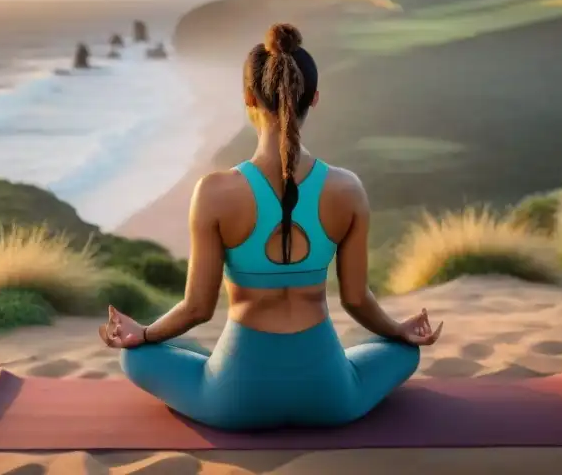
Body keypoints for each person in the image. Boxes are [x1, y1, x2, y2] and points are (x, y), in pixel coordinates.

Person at [99, 22, 443, 430]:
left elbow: (196, 309)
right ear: (313, 99)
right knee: (404, 352)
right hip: (331, 399)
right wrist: (399, 331)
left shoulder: (214, 192)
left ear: (248, 97)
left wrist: (147, 334)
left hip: (234, 402)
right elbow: (356, 300)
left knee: (134, 355)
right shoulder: (346, 188)